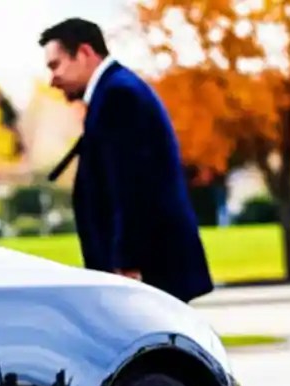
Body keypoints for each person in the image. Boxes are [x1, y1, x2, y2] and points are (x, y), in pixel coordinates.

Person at [40, 18, 214, 303]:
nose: (52, 79)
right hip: (149, 268)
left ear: (84, 52)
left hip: (145, 272)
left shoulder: (118, 96)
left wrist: (127, 263)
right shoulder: (115, 91)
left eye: (55, 65)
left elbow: (132, 188)